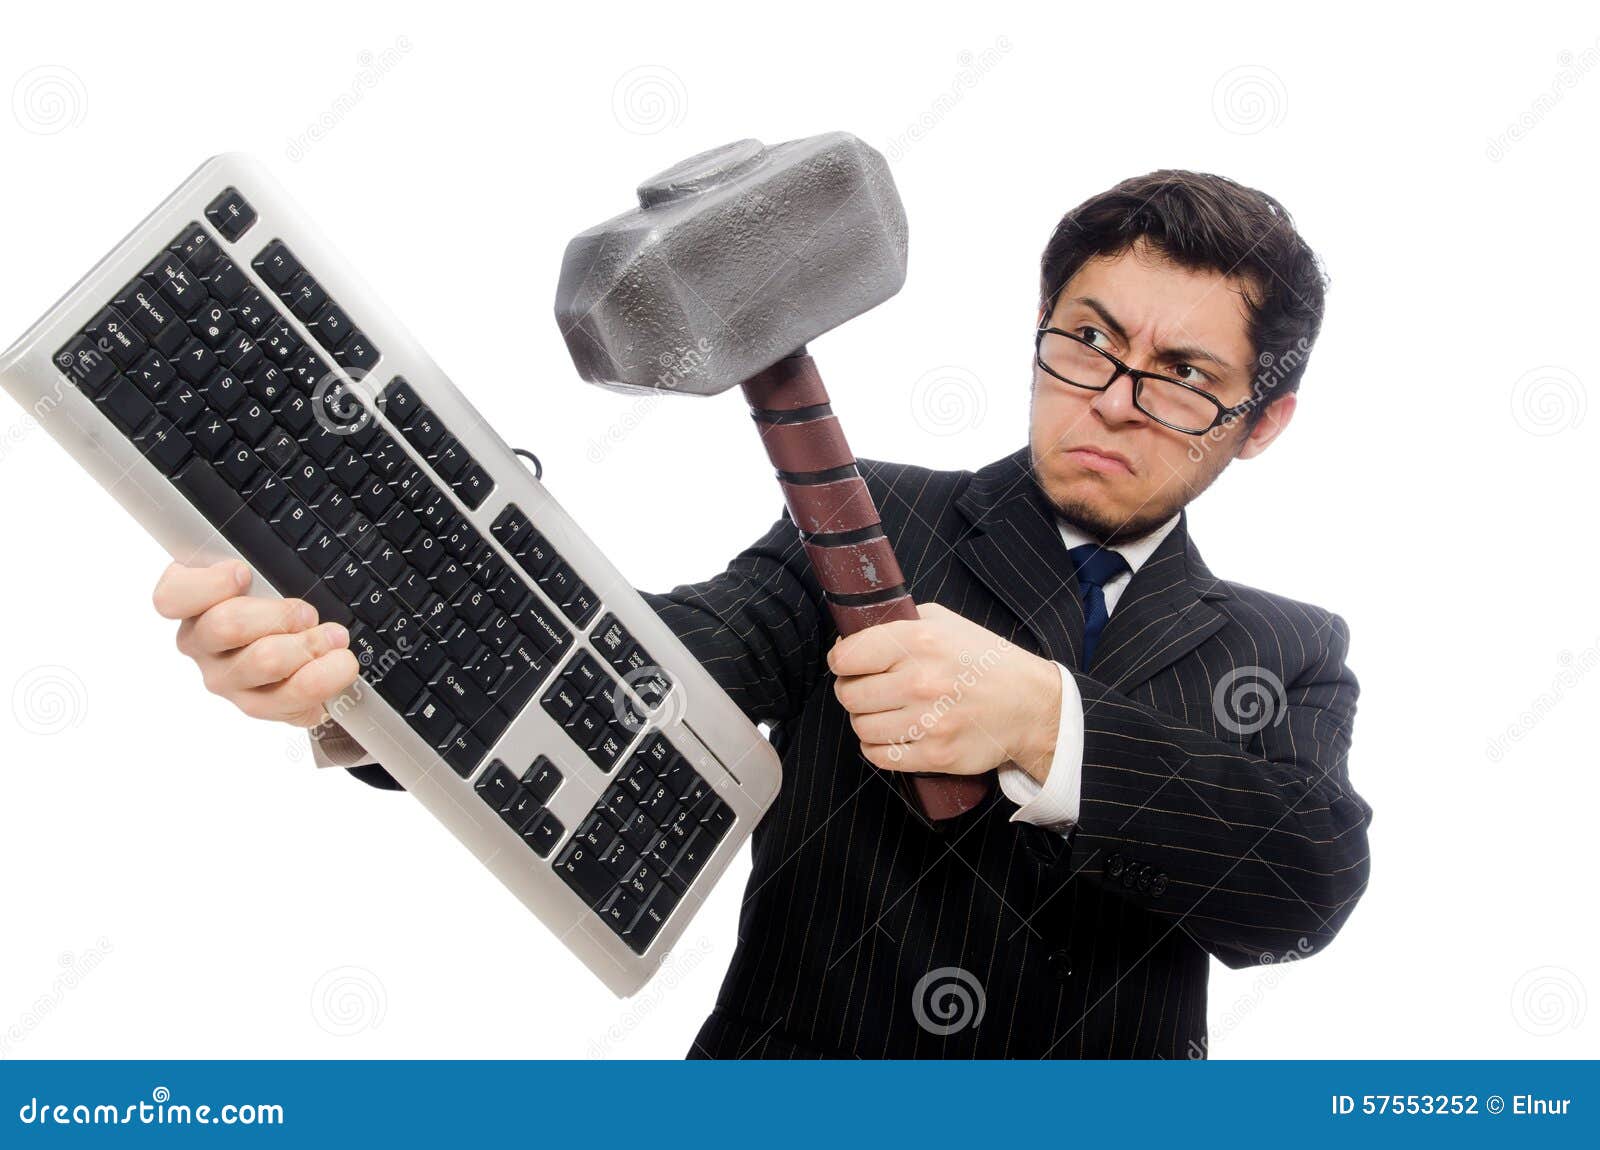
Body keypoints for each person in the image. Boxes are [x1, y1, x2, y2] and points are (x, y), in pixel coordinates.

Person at [152, 170, 1370, 1059]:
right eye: (1086, 342)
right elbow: (637, 682)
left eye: (1185, 377)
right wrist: (369, 668)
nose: (1111, 398)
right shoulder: (871, 524)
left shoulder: (1284, 649)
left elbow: (1303, 884)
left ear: (1263, 422)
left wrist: (1045, 725)